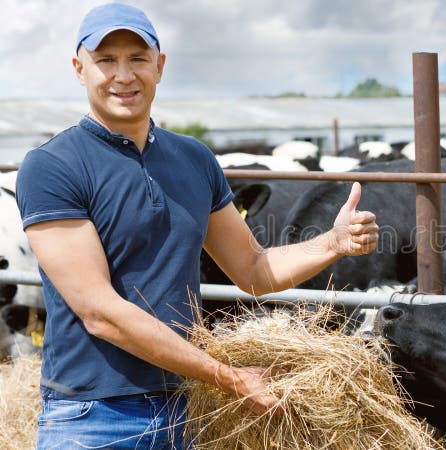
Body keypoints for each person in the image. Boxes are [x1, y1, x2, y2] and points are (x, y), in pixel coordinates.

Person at [15, 3, 379, 449]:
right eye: (106, 60)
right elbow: (99, 312)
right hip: (92, 417)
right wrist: (225, 376)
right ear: (79, 69)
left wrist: (333, 242)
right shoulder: (53, 165)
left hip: (181, 411)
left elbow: (253, 268)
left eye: (138, 59)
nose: (124, 75)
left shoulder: (194, 158)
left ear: (160, 66)